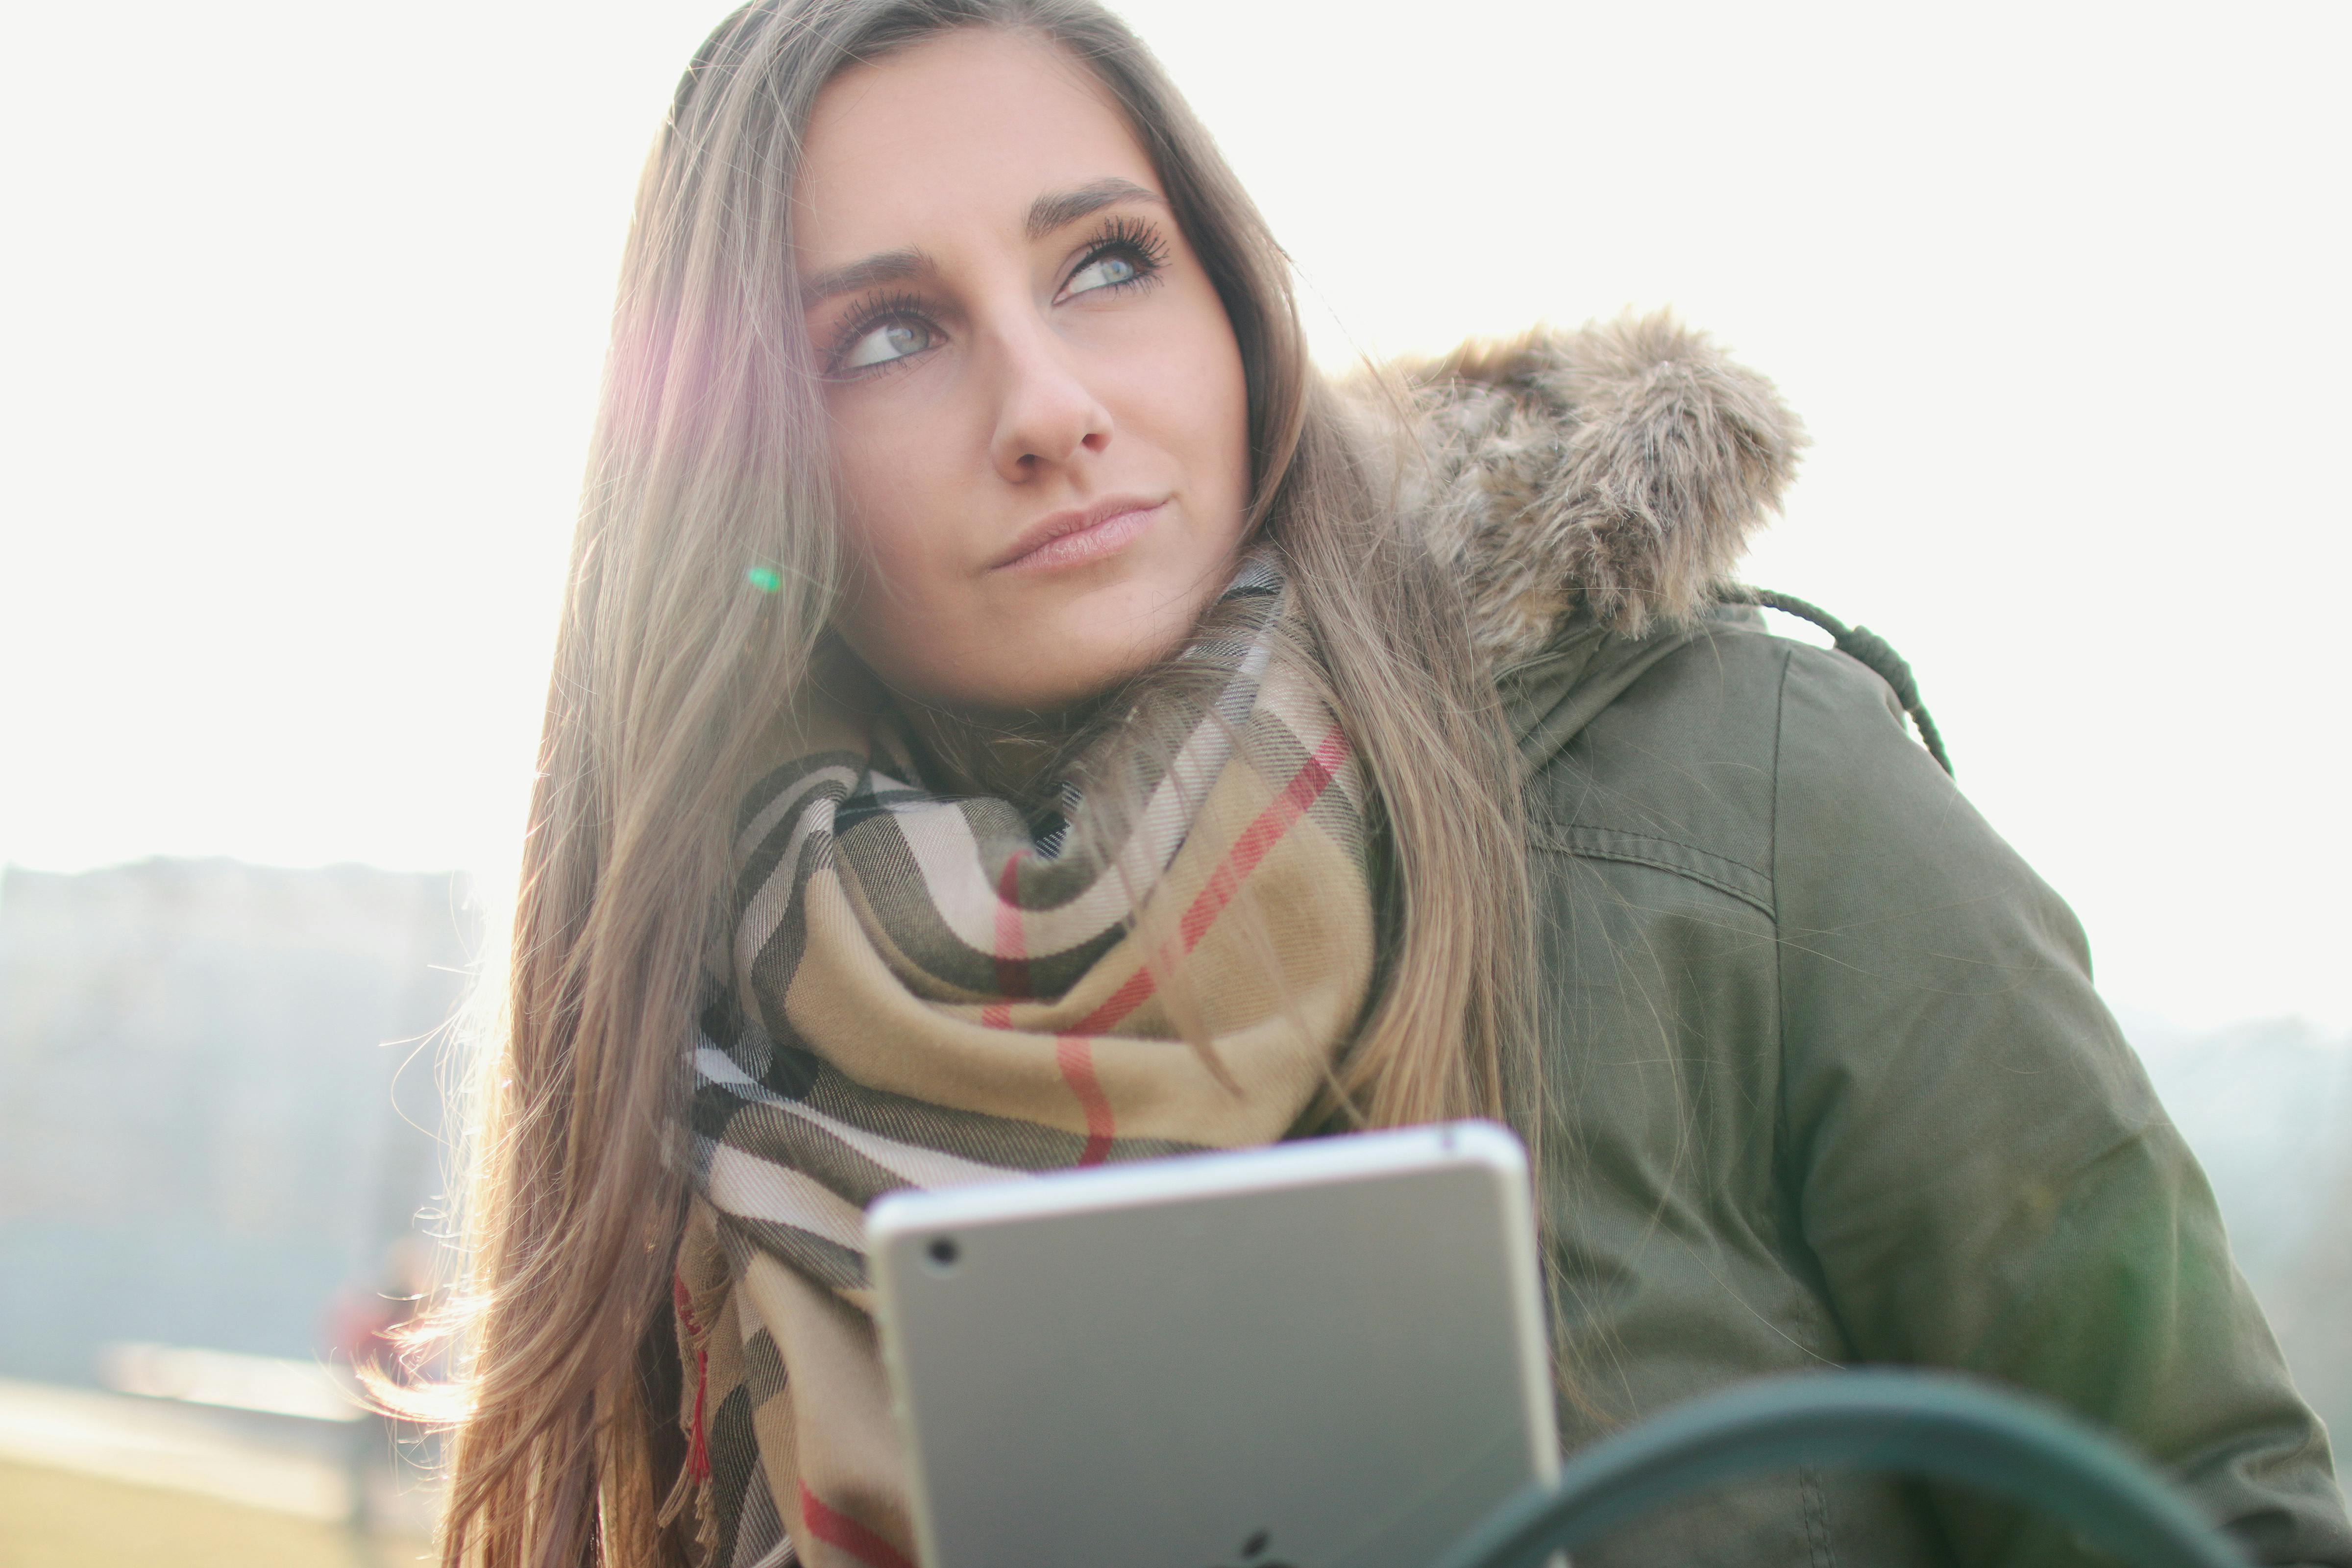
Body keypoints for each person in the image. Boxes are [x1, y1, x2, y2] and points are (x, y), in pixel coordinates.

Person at [416, 2, 2352, 1565]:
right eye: (894, 332)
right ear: (750, 462)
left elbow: (2215, 1509)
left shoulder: (1748, 792)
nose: (1049, 405)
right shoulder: (702, 1037)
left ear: (1235, 303)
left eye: (1106, 261)